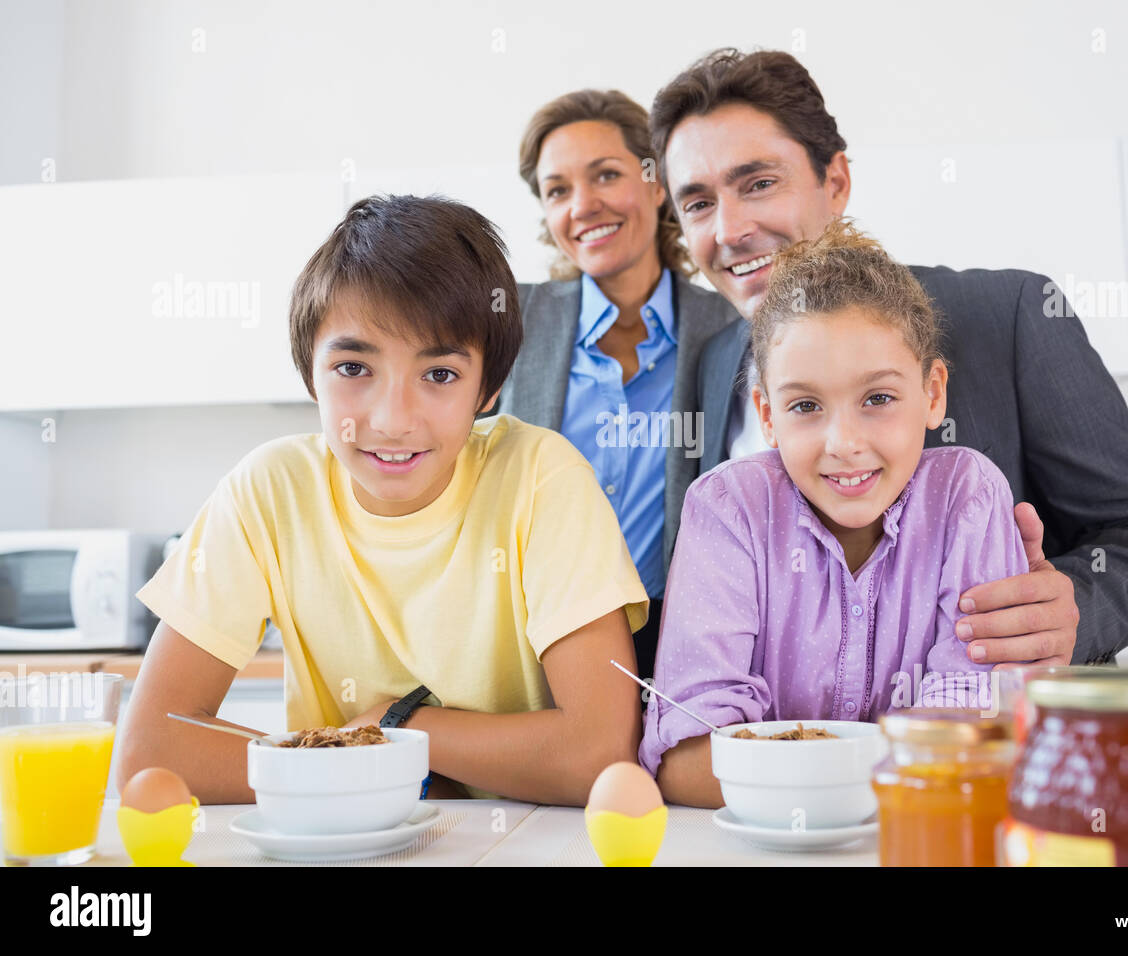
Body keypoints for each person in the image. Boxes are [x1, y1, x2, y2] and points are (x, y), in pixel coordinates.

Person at [648, 48, 1128, 671]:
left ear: (836, 181)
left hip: (983, 750)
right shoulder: (714, 362)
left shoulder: (1011, 313)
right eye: (697, 203)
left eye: (759, 184)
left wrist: (1070, 609)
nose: (729, 229)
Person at [119, 195, 649, 807]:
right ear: (308, 373)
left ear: (490, 389)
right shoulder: (268, 490)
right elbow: (148, 755)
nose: (393, 421)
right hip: (343, 845)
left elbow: (600, 754)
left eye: (440, 375)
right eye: (353, 368)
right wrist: (375, 766)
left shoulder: (541, 477)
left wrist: (399, 726)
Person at [642, 222, 1029, 805]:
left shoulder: (966, 498)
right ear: (767, 417)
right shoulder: (727, 509)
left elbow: (970, 737)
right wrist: (885, 763)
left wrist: (781, 765)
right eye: (805, 406)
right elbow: (688, 757)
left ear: (933, 393)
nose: (843, 442)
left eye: (877, 398)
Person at [497, 90, 736, 677]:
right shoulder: (509, 325)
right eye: (557, 190)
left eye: (606, 174)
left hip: (687, 637)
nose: (583, 205)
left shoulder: (730, 327)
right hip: (538, 636)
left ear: (659, 186)